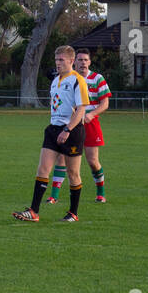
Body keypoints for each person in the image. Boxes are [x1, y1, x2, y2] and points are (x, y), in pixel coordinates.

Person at [14, 45, 89, 223]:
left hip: (72, 131)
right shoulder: (55, 81)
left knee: (73, 173)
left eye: (61, 60)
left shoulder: (78, 80)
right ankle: (34, 211)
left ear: (71, 61)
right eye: (56, 60)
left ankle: (73, 212)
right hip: (53, 129)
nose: (58, 63)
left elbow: (81, 111)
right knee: (43, 169)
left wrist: (68, 129)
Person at [48, 48, 110, 204]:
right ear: (74, 61)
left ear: (89, 62)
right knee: (61, 158)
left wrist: (91, 114)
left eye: (86, 60)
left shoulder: (97, 78)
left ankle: (100, 193)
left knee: (92, 161)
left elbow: (105, 103)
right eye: (80, 60)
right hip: (69, 123)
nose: (83, 63)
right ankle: (53, 196)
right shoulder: (66, 78)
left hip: (90, 123)